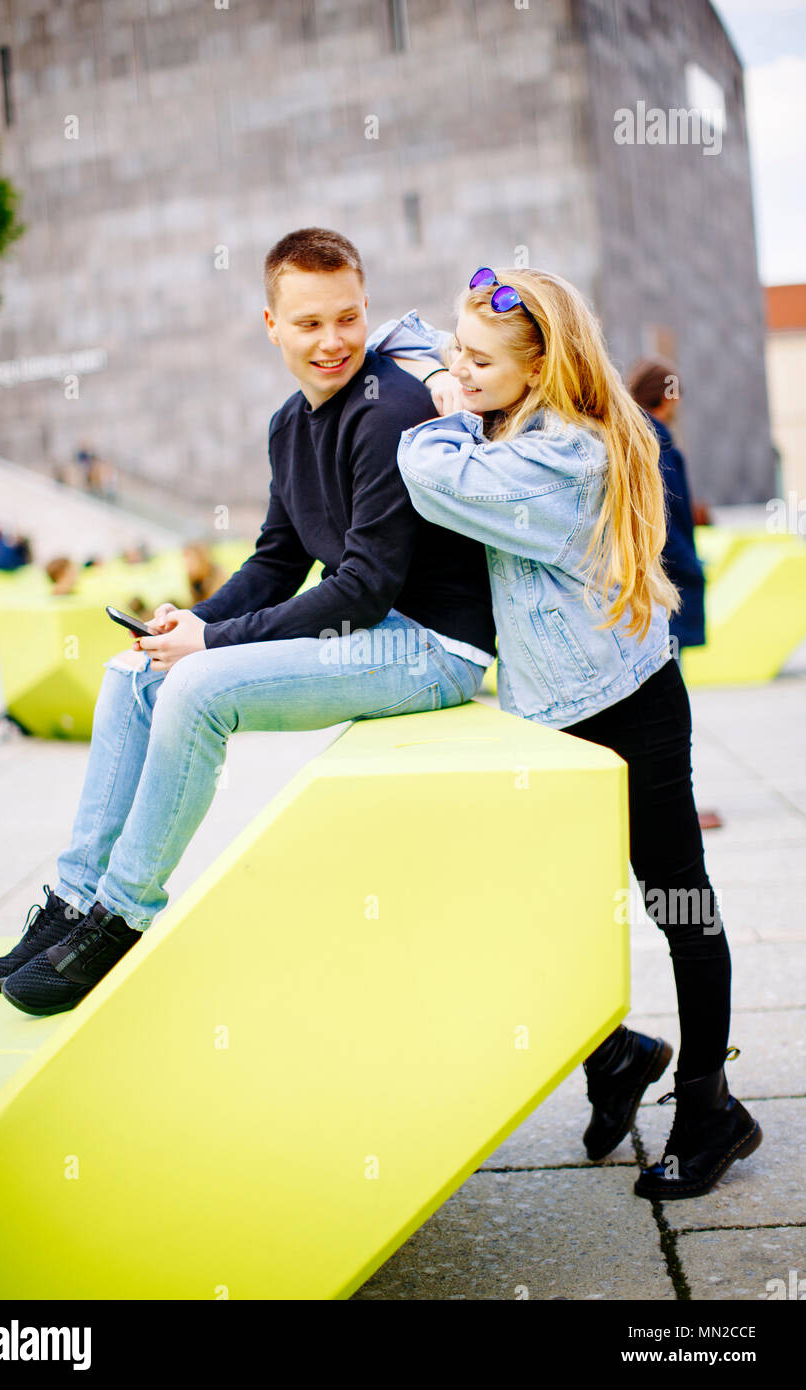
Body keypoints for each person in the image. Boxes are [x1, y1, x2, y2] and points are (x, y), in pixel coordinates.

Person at [0, 228, 496, 1024]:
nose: (333, 341)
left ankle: (121, 916)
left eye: (349, 318)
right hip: (371, 627)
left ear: (366, 310)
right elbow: (277, 561)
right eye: (310, 323)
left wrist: (211, 644)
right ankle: (71, 903)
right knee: (133, 671)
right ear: (271, 325)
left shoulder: (390, 411)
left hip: (432, 645)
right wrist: (194, 618)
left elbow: (362, 586)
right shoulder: (290, 424)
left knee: (200, 688)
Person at [377, 266, 761, 1201]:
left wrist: (438, 396)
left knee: (679, 906)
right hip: (554, 720)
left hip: (628, 705)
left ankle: (709, 1108)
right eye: (459, 356)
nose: (461, 370)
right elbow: (403, 327)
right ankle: (617, 1054)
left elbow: (428, 474)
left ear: (541, 366)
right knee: (524, 908)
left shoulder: (564, 455)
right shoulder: (509, 412)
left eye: (480, 361)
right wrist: (454, 356)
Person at [627, 358, 723, 831]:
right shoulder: (657, 440)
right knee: (668, 708)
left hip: (647, 589)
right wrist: (693, 571)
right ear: (667, 396)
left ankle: (663, 807)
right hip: (666, 588)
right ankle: (678, 812)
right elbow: (666, 519)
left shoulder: (631, 431)